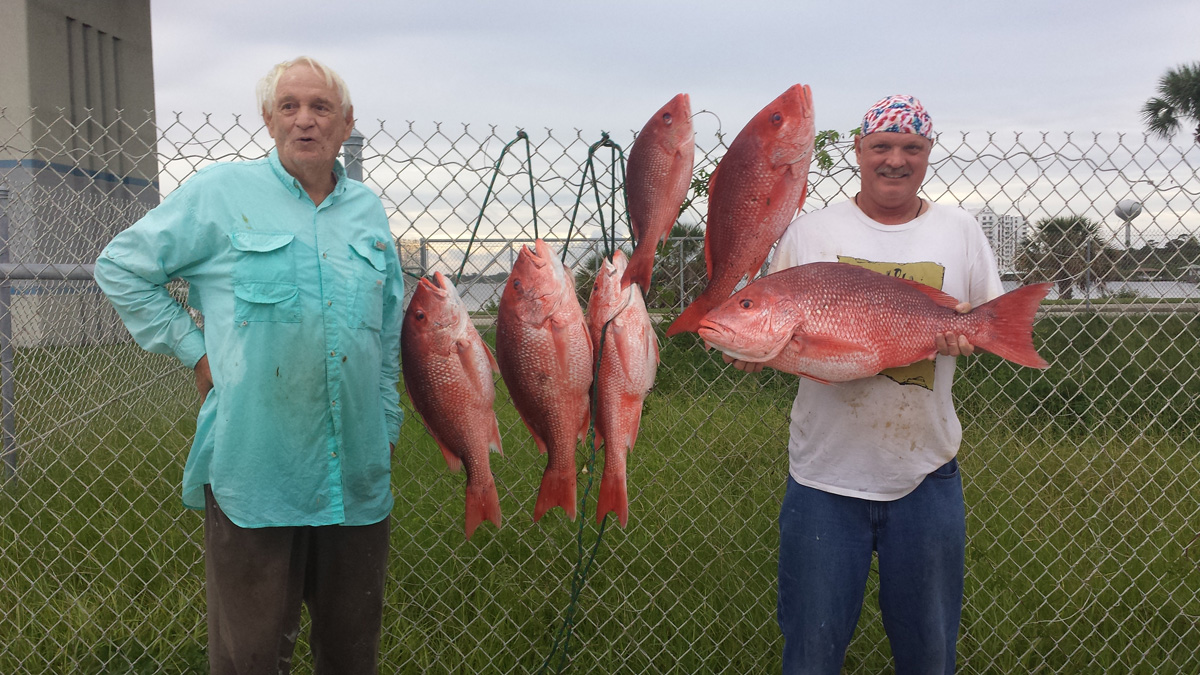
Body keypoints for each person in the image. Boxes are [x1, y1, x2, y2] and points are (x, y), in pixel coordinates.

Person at [94, 56, 404, 674]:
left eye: (320, 108)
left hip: (356, 479)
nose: (305, 121)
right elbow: (122, 266)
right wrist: (195, 351)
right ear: (268, 119)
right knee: (251, 659)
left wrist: (387, 422)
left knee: (352, 655)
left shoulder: (368, 213)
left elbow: (390, 325)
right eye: (289, 106)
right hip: (257, 470)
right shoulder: (219, 195)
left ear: (347, 123)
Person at [725, 95, 1002, 674]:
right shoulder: (808, 232)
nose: (894, 160)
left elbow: (988, 317)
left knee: (929, 655)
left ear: (928, 154)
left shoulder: (961, 230)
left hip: (926, 474)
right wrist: (748, 346)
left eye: (911, 148)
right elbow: (769, 314)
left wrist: (967, 332)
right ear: (858, 150)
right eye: (881, 146)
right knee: (810, 654)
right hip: (823, 481)